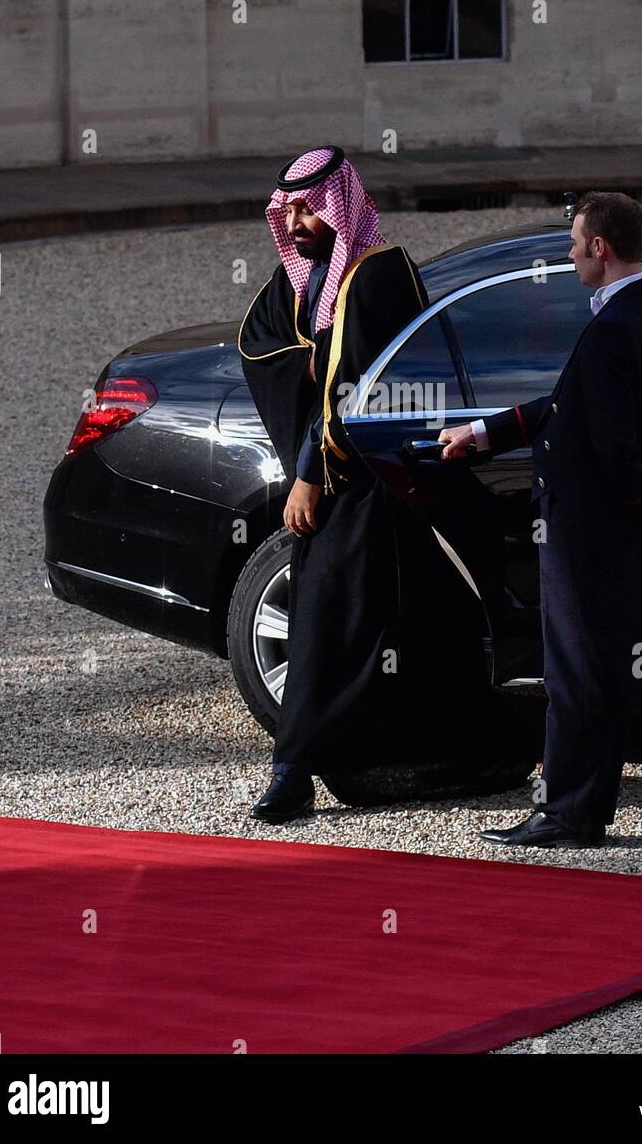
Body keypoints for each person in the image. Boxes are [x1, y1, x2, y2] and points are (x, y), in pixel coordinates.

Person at [238, 147, 530, 820]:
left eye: (312, 207)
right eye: (291, 210)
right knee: (324, 624)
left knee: (367, 624)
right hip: (342, 492)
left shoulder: (377, 274)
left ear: (341, 204)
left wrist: (311, 475)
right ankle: (297, 767)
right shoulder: (300, 279)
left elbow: (361, 393)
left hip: (381, 488)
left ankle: (319, 767)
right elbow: (261, 347)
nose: (299, 219)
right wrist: (306, 374)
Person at [440, 191, 642, 849]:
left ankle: (568, 813)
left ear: (600, 248)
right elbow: (569, 405)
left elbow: (612, 446)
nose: (570, 253)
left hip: (583, 531)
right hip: (601, 529)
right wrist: (484, 433)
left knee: (575, 672)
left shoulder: (612, 327)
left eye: (576, 242)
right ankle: (583, 807)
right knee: (590, 669)